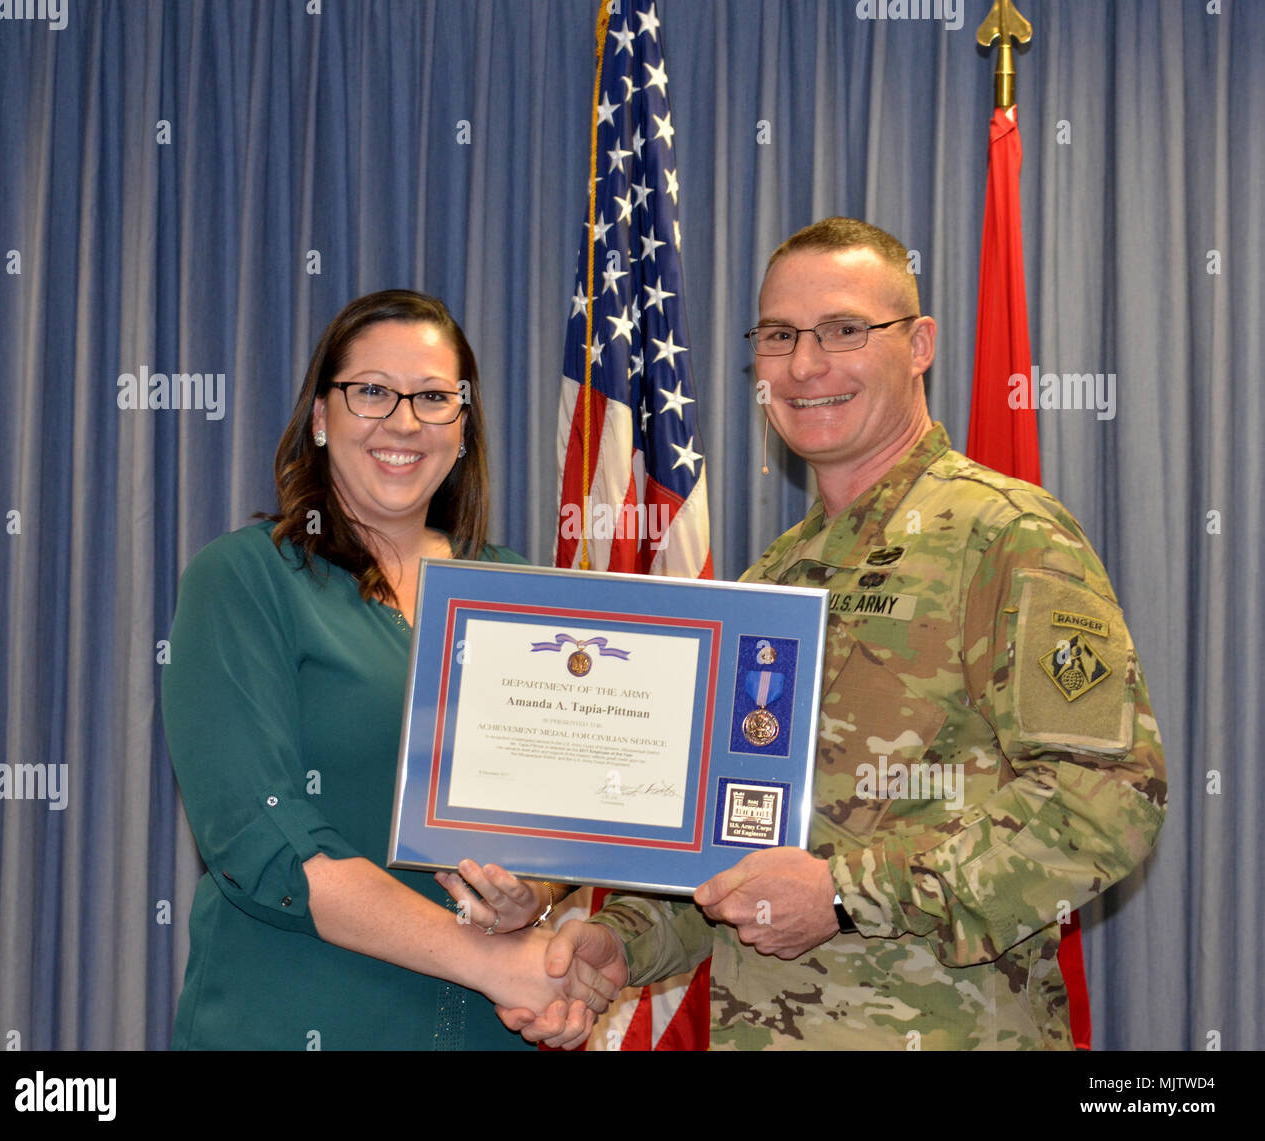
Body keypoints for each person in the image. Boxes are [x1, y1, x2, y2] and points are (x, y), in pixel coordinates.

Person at [506, 217, 1168, 1050]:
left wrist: (852, 892)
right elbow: (731, 848)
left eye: (845, 330)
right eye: (780, 335)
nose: (806, 364)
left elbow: (1107, 800)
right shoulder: (770, 580)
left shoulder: (1008, 538)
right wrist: (618, 944)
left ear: (919, 343)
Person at [163, 289, 613, 1049]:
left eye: (435, 397)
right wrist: (495, 961)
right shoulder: (245, 579)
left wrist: (529, 894)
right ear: (319, 418)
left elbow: (565, 809)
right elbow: (266, 843)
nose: (403, 421)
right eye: (371, 390)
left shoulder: (521, 594)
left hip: (492, 1029)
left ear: (463, 428)